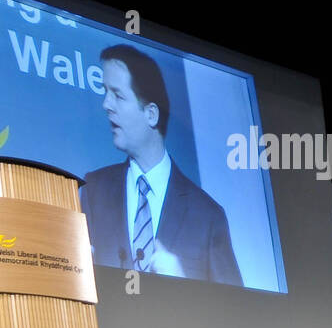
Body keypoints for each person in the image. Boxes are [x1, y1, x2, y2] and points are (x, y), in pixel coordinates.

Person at [79, 44, 242, 286]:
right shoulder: (93, 190)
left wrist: (183, 286)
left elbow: (235, 312)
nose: (106, 105)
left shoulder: (208, 216)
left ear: (151, 115)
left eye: (118, 95)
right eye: (105, 92)